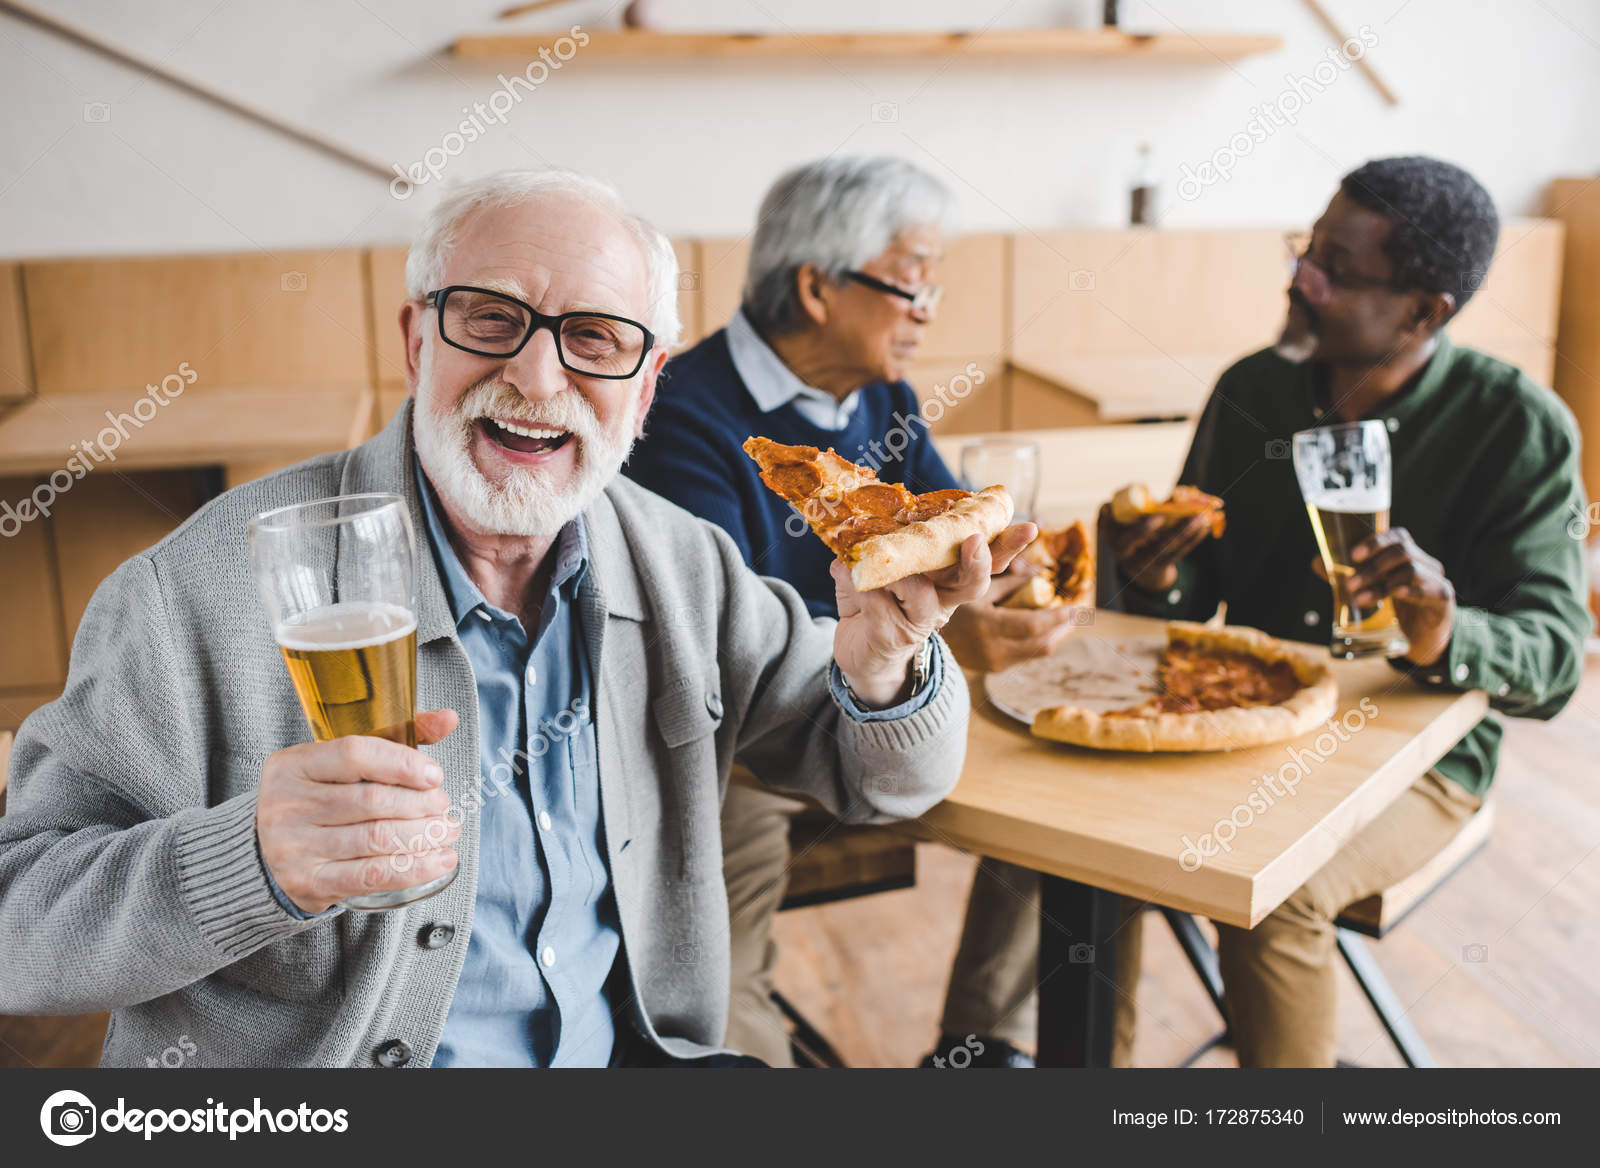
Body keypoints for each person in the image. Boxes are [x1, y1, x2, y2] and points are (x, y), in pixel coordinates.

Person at [0, 168, 1036, 1068]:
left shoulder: (681, 563)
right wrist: (251, 861)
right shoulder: (190, 595)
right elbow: (20, 924)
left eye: (594, 338)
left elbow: (890, 783)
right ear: (416, 341)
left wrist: (889, 661)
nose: (535, 378)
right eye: (489, 319)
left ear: (644, 389)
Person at [966, 155, 1592, 1067]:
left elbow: (1556, 661)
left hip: (1418, 757)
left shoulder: (1520, 428)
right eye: (1308, 248)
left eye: (1335, 269)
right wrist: (1151, 572)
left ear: (1425, 311)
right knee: (1068, 841)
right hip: (1239, 717)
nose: (1301, 279)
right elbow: (1185, 588)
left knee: (1277, 895)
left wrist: (1444, 626)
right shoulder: (1253, 388)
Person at [626, 156, 1080, 1067]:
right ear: (816, 288)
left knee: (1072, 828)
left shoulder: (883, 397)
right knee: (713, 964)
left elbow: (966, 553)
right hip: (744, 744)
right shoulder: (681, 412)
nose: (928, 312)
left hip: (895, 708)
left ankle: (984, 1051)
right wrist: (948, 639)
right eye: (913, 283)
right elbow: (720, 636)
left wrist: (1017, 590)